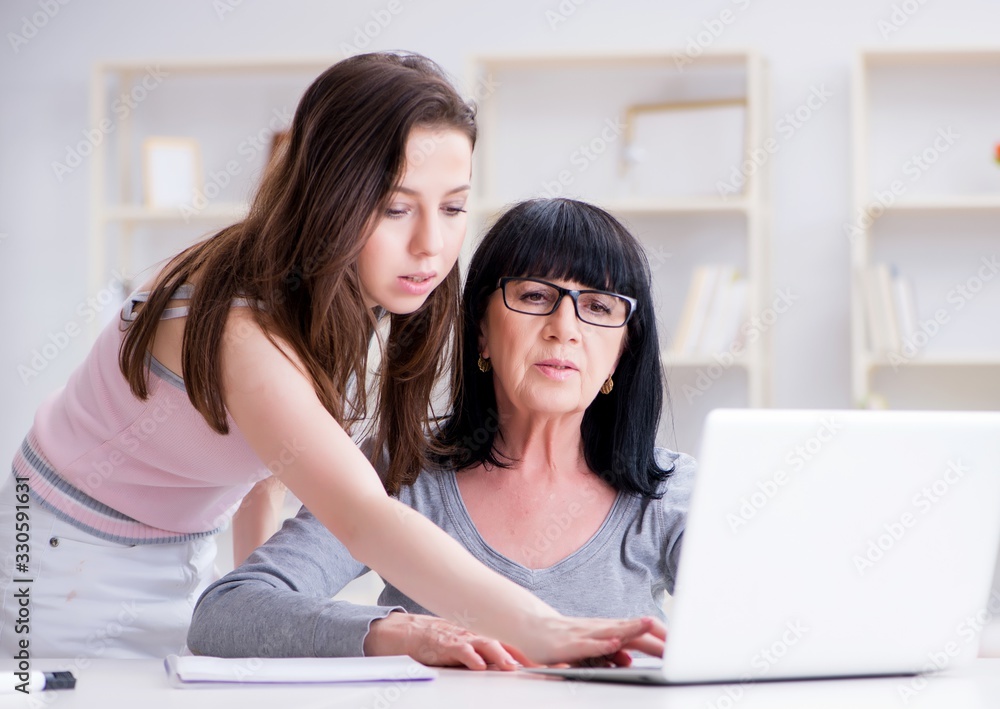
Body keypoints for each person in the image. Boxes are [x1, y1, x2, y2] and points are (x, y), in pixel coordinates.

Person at [0, 54, 664, 663]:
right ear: (332, 196)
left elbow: (264, 470)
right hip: (62, 567)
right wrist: (543, 627)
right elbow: (365, 517)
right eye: (395, 207)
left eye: (455, 206)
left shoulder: (349, 290)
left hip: (179, 556)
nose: (432, 244)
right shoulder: (240, 324)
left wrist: (253, 603)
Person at [187, 198, 695, 670]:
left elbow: (763, 619)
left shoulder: (669, 492)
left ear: (623, 350)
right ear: (481, 331)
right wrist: (405, 635)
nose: (565, 328)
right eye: (535, 296)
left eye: (599, 307)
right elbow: (229, 613)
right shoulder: (403, 470)